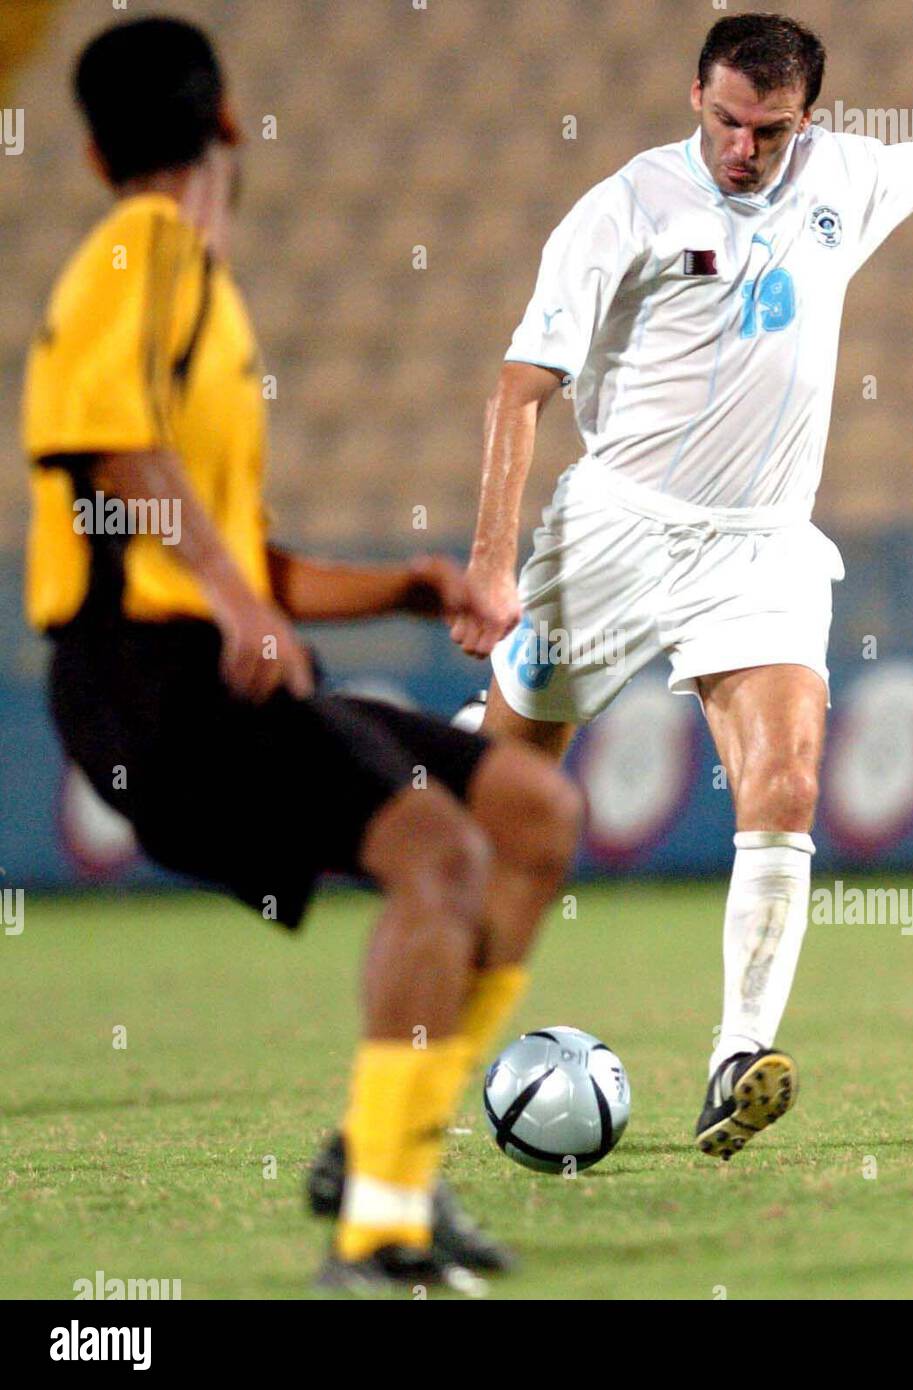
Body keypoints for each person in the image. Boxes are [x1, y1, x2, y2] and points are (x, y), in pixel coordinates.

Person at [447, 12, 913, 1159]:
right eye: (728, 121)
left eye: (770, 130)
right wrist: (491, 564)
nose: (745, 149)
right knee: (502, 804)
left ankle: (737, 1055)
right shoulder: (625, 209)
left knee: (785, 780)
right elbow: (519, 390)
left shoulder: (841, 178)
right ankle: (428, 1027)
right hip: (612, 538)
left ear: (809, 120)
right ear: (697, 95)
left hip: (761, 545)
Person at [23, 16, 580, 1294]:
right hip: (145, 676)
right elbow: (115, 458)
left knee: (531, 812)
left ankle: (377, 1159)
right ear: (226, 122)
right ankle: (378, 1230)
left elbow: (247, 561)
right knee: (443, 851)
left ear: (99, 143)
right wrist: (232, 601)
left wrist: (398, 584)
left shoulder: (192, 295)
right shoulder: (147, 246)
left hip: (204, 653)